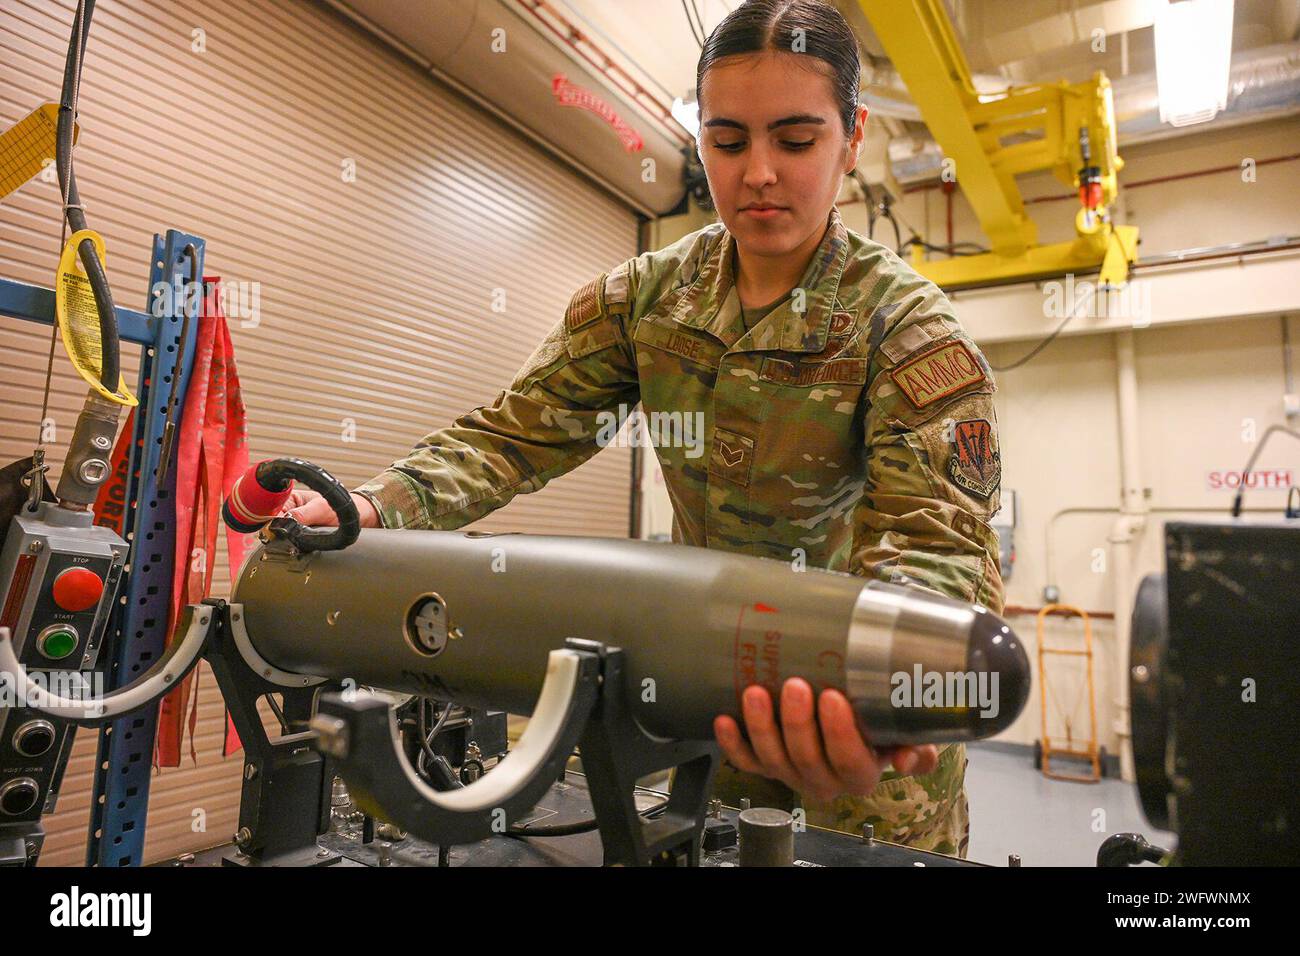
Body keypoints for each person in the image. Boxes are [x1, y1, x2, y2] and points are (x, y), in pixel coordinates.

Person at [286, 0, 1003, 857]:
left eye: (796, 140)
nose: (760, 172)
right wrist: (371, 508)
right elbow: (514, 435)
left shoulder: (908, 329)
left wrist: (886, 687)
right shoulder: (644, 299)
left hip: (850, 746)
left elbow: (941, 546)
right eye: (729, 141)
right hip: (704, 710)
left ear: (851, 140)